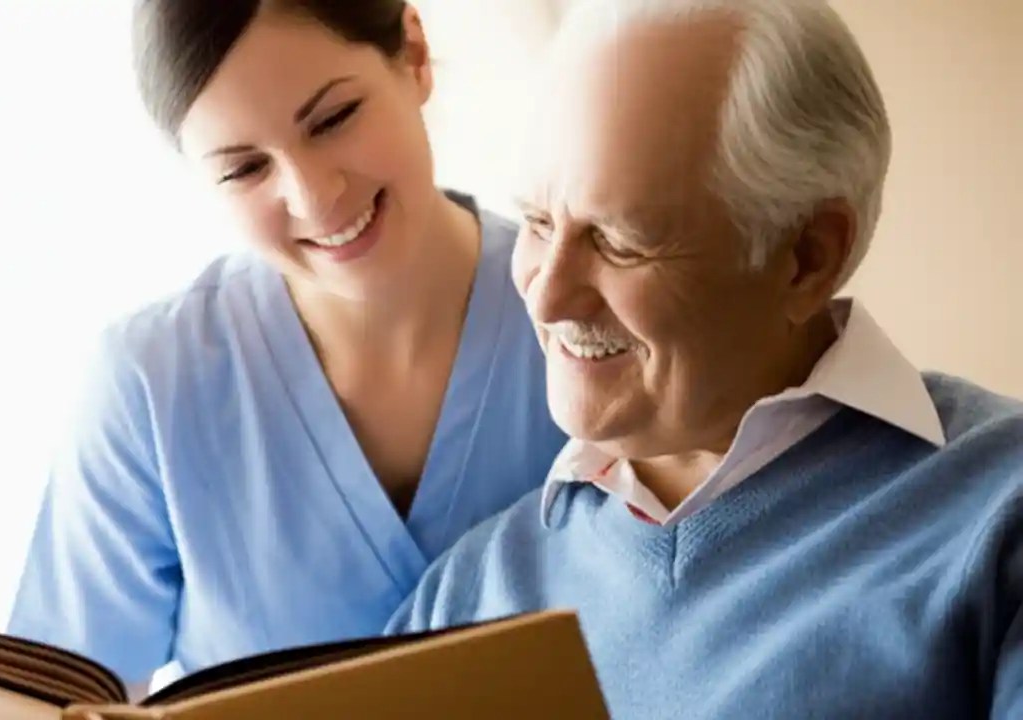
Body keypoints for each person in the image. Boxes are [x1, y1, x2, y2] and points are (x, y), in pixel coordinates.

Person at [387, 0, 1023, 717]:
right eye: (538, 222)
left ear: (807, 258)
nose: (547, 297)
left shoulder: (1002, 510)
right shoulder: (463, 600)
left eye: (618, 242)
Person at [5, 0, 567, 692]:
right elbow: (53, 701)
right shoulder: (151, 390)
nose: (314, 196)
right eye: (244, 169)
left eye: (334, 119)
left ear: (414, 55)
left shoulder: (582, 314)